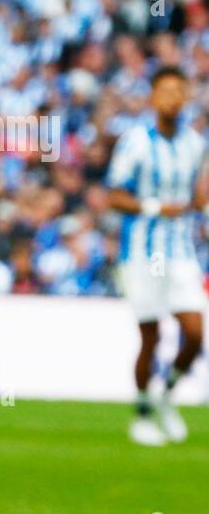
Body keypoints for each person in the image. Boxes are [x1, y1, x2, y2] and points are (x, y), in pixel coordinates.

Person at [106, 65, 208, 446]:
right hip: (141, 251)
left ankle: (166, 393)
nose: (173, 98)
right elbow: (114, 195)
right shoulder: (134, 142)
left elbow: (197, 197)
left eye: (180, 91)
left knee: (195, 333)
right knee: (151, 335)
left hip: (180, 249)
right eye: (165, 91)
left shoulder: (196, 144)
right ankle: (143, 412)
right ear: (152, 98)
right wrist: (155, 207)